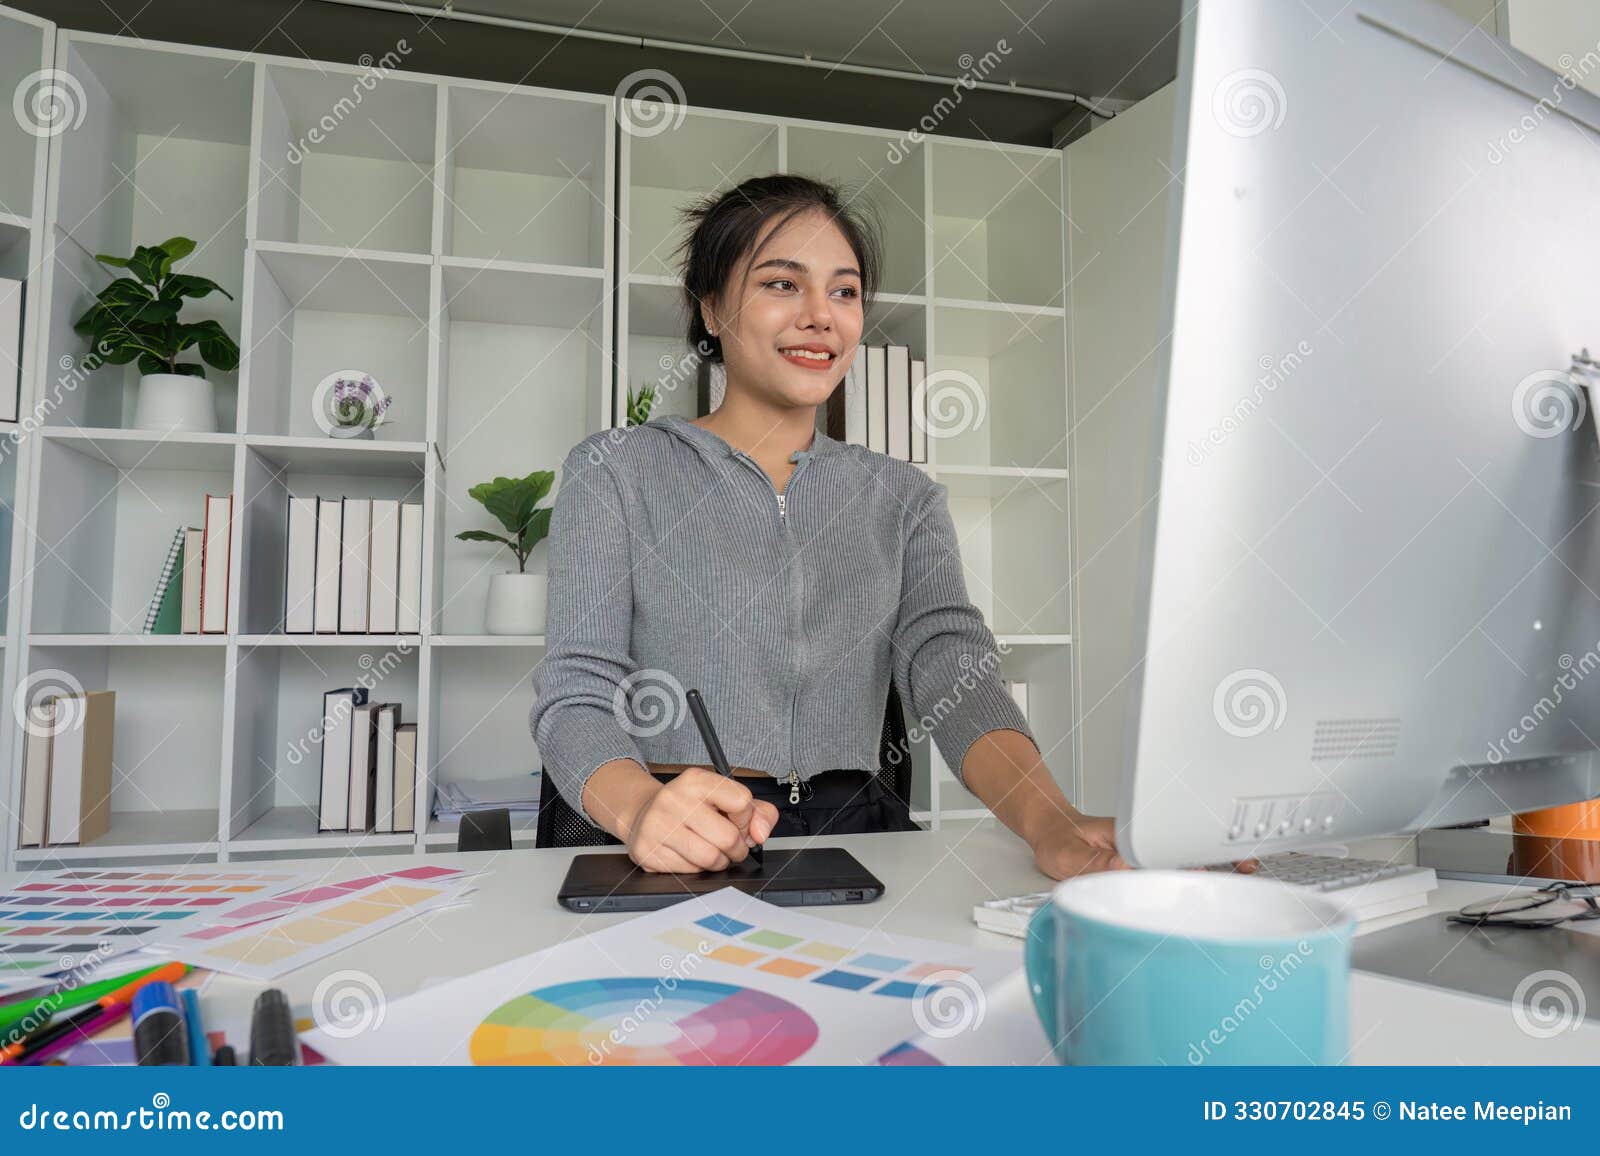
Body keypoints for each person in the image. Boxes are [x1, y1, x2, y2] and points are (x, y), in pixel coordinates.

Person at [530, 173, 1127, 880]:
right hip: (669, 826)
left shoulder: (902, 495)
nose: (822, 316)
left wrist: (1054, 823)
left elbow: (951, 667)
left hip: (856, 829)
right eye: (783, 284)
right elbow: (576, 686)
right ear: (713, 307)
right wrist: (638, 811)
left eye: (843, 292)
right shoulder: (617, 469)